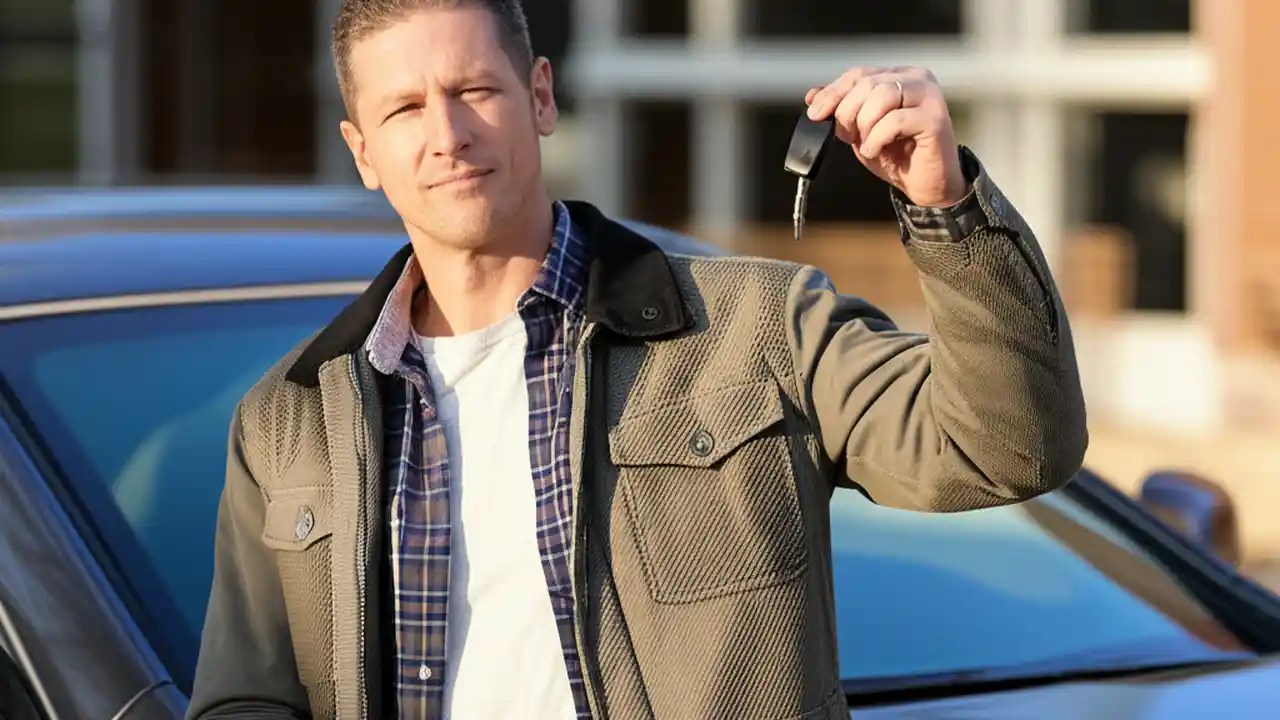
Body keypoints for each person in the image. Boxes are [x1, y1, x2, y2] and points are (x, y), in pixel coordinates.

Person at [186, 0, 1088, 718]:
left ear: (540, 96)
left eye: (475, 91)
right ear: (363, 153)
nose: (447, 133)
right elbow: (246, 700)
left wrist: (946, 207)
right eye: (404, 109)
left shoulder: (754, 329)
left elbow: (1006, 446)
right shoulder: (289, 423)